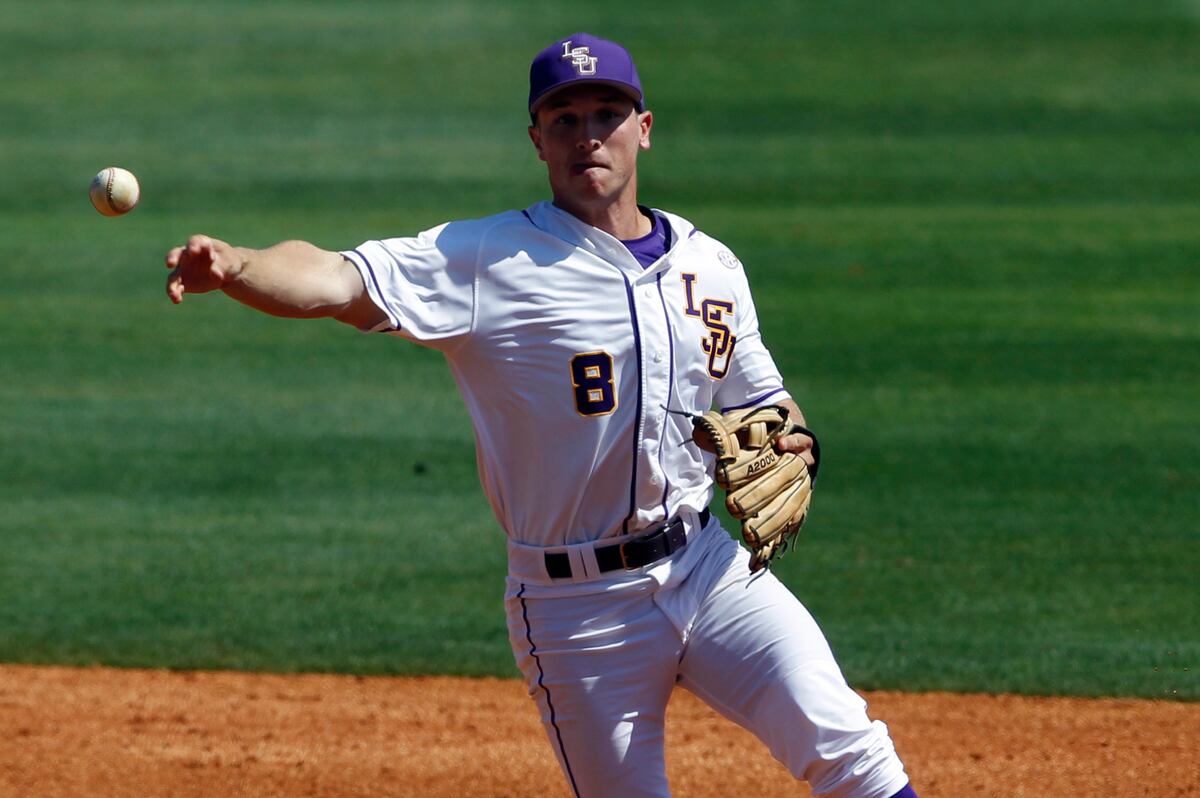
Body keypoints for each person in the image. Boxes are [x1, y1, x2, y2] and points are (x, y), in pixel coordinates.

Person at [164, 32, 918, 798]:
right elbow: (333, 276)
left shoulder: (710, 264)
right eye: (564, 119)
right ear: (537, 140)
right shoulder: (487, 257)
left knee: (852, 751)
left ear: (644, 128)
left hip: (709, 570)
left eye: (607, 113)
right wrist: (239, 266)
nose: (588, 133)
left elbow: (761, 399)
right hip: (576, 609)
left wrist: (793, 439)